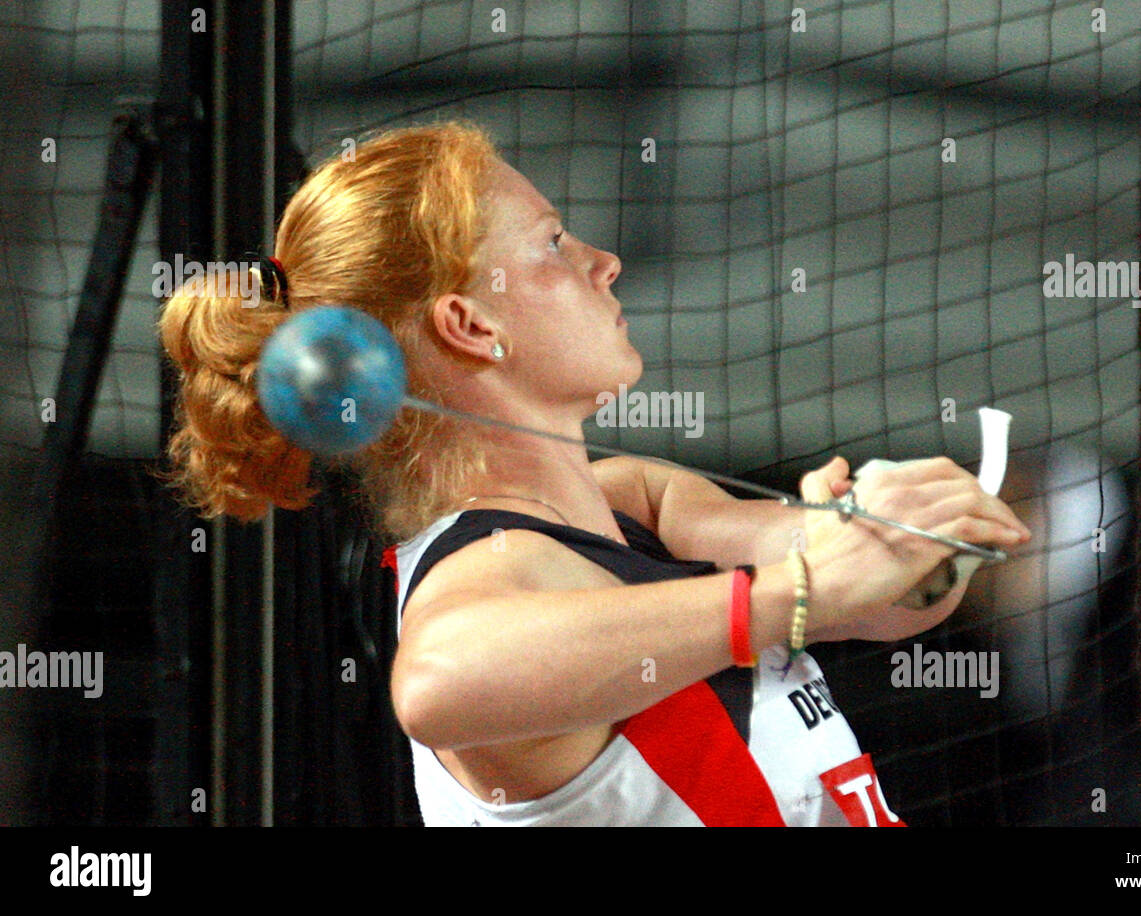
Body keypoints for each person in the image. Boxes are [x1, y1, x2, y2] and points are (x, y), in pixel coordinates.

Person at [158, 121, 1031, 826]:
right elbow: (434, 685)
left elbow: (884, 599)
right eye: (553, 243)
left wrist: (906, 535)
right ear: (470, 325)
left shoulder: (637, 502)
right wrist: (795, 591)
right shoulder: (483, 578)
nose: (602, 262)